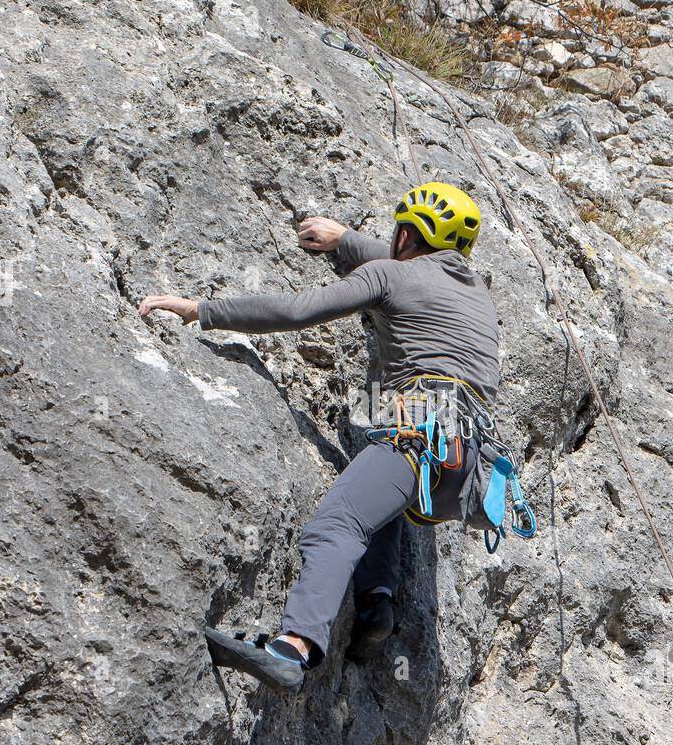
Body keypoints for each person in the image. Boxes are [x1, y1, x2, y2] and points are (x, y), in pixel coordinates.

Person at [138, 183, 500, 688]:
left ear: (406, 234)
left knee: (335, 525)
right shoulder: (477, 291)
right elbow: (407, 260)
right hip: (468, 463)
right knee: (374, 498)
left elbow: (299, 310)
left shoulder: (387, 275)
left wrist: (204, 309)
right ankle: (377, 602)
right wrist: (346, 240)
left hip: (418, 432)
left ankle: (294, 646)